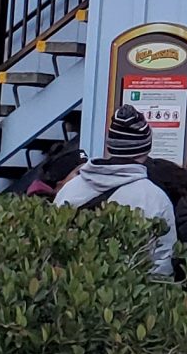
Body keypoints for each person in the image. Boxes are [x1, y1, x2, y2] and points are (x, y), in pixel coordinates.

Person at [54, 106, 180, 277]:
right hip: (129, 295)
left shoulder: (71, 188)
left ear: (110, 145)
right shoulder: (154, 198)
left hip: (72, 291)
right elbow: (162, 265)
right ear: (147, 148)